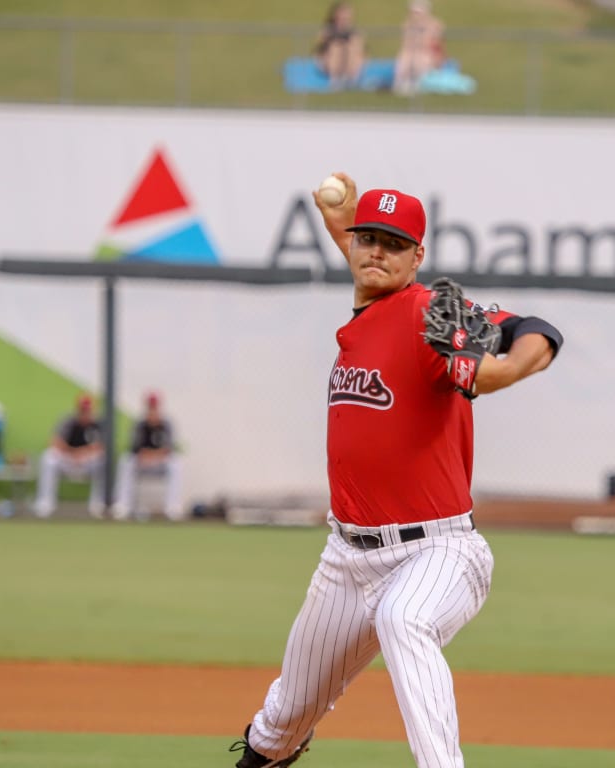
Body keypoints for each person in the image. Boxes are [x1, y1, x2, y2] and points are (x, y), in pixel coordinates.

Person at [229, 174, 562, 768]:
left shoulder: (427, 311)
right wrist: (343, 224)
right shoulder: (374, 307)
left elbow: (534, 329)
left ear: (418, 258)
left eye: (394, 242)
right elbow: (367, 264)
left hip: (437, 551)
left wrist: (508, 369)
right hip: (345, 559)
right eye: (367, 239)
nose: (376, 251)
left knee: (403, 619)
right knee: (281, 721)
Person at [110, 392, 185, 521]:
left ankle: (172, 507)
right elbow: (135, 448)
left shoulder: (166, 424)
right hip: (143, 463)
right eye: (150, 407)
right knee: (126, 461)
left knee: (176, 462)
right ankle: (122, 505)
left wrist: (153, 455)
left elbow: (169, 449)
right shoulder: (140, 425)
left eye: (154, 407)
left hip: (160, 463)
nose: (152, 410)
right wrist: (148, 455)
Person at [33, 393, 106, 519]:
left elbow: (101, 447)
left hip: (87, 462)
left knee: (103, 460)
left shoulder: (98, 424)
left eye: (88, 411)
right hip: (68, 460)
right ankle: (45, 504)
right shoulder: (68, 421)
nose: (85, 414)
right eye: (83, 410)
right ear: (78, 409)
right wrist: (73, 453)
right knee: (48, 457)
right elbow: (54, 442)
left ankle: (97, 504)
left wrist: (83, 453)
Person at [393, 0, 444, 96]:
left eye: (418, 13)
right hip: (412, 53)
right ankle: (401, 82)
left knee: (420, 57)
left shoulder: (434, 25)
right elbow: (406, 45)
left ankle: (417, 83)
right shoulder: (407, 25)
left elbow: (430, 45)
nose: (416, 16)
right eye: (414, 13)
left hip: (429, 55)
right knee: (405, 56)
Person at [314, 2, 365, 88]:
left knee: (352, 47)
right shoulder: (328, 30)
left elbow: (360, 46)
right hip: (328, 63)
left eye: (346, 18)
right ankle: (336, 79)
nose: (344, 20)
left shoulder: (353, 31)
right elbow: (320, 44)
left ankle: (351, 78)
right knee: (336, 47)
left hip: (349, 63)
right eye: (342, 17)